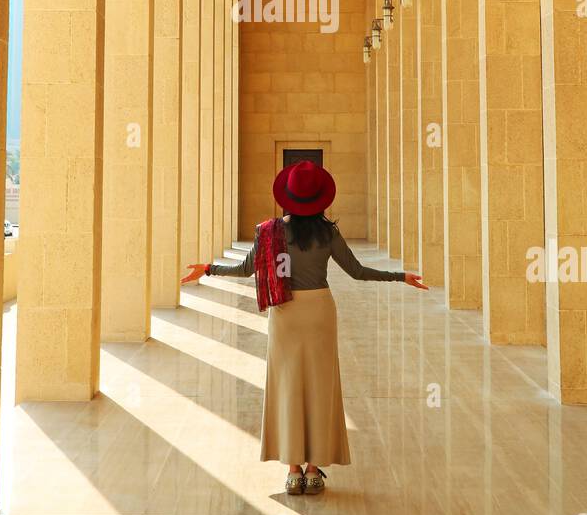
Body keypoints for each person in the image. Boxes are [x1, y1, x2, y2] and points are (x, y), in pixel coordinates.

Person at [182, 159, 426, 495]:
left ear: (287, 196)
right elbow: (357, 271)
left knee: (287, 386)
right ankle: (314, 470)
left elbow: (245, 269)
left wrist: (208, 268)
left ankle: (293, 470)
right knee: (320, 387)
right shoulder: (329, 233)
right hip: (320, 312)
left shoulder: (268, 231)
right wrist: (401, 276)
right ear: (321, 199)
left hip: (285, 313)